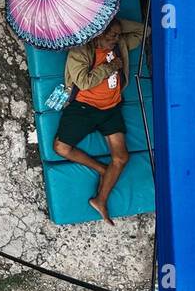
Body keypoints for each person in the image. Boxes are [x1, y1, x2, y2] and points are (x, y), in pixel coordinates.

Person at [52, 17, 145, 224]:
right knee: (61, 147)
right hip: (84, 107)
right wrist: (111, 67)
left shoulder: (119, 44)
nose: (115, 38)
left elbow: (143, 31)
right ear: (97, 33)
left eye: (118, 34)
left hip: (111, 108)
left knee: (121, 158)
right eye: (110, 34)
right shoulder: (80, 51)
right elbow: (84, 82)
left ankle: (100, 200)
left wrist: (115, 22)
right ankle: (102, 169)